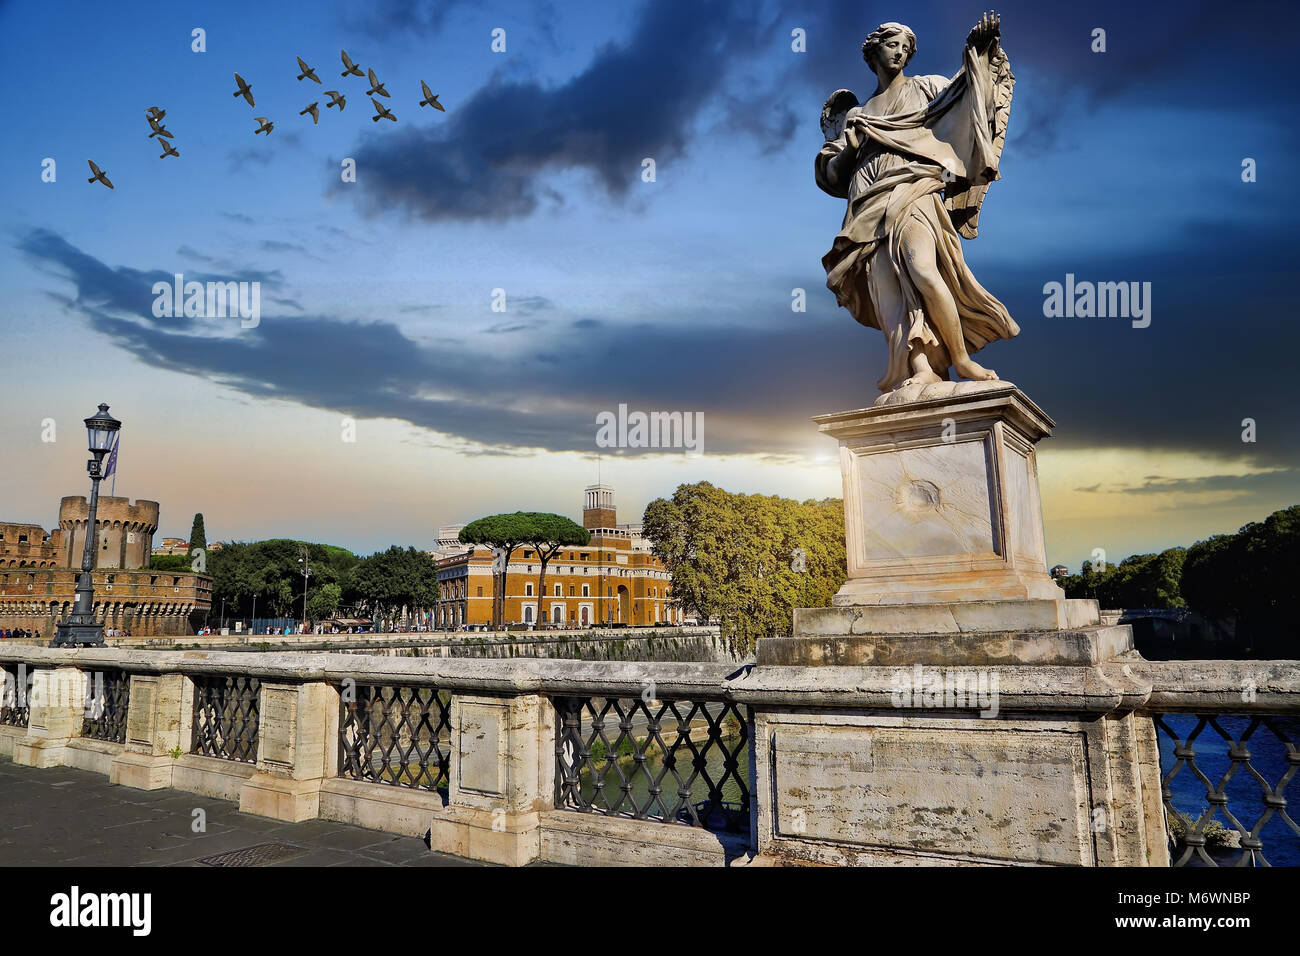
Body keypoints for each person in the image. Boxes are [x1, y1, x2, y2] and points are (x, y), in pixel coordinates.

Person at [815, 14, 1017, 393]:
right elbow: (831, 172)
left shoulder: (926, 88)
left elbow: (970, 99)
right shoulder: (858, 114)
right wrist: (852, 148)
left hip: (914, 190)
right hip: (866, 202)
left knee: (923, 269)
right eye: (893, 45)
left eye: (906, 49)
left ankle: (960, 359)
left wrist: (977, 50)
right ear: (874, 52)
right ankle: (919, 365)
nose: (900, 53)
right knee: (889, 294)